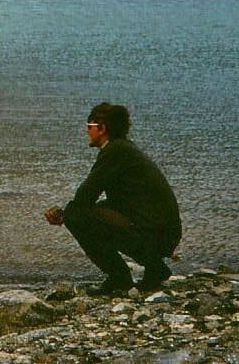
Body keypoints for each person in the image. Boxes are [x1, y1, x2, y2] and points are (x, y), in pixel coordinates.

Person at [45, 102, 181, 295]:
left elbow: (85, 195)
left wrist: (64, 214)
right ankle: (154, 268)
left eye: (90, 127)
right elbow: (111, 202)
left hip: (156, 233)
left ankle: (120, 277)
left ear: (102, 129)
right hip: (160, 230)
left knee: (76, 215)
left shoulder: (115, 151)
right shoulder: (123, 149)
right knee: (90, 211)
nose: (87, 131)